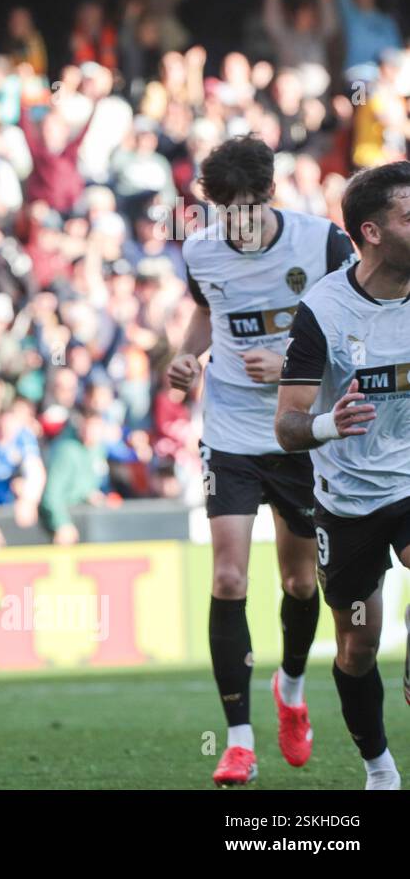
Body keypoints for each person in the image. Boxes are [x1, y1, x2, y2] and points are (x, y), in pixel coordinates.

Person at [168, 135, 358, 785]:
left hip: (299, 431)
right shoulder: (199, 250)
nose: (237, 223)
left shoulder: (323, 244)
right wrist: (187, 355)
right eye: (225, 211)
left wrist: (292, 366)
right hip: (230, 431)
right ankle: (239, 741)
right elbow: (204, 314)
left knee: (303, 584)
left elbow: (358, 328)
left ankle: (293, 690)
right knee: (227, 578)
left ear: (269, 195)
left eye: (247, 208)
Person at [276, 160, 410, 790]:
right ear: (372, 231)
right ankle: (378, 768)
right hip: (347, 497)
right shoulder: (323, 311)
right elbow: (288, 426)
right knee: (358, 646)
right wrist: (331, 423)